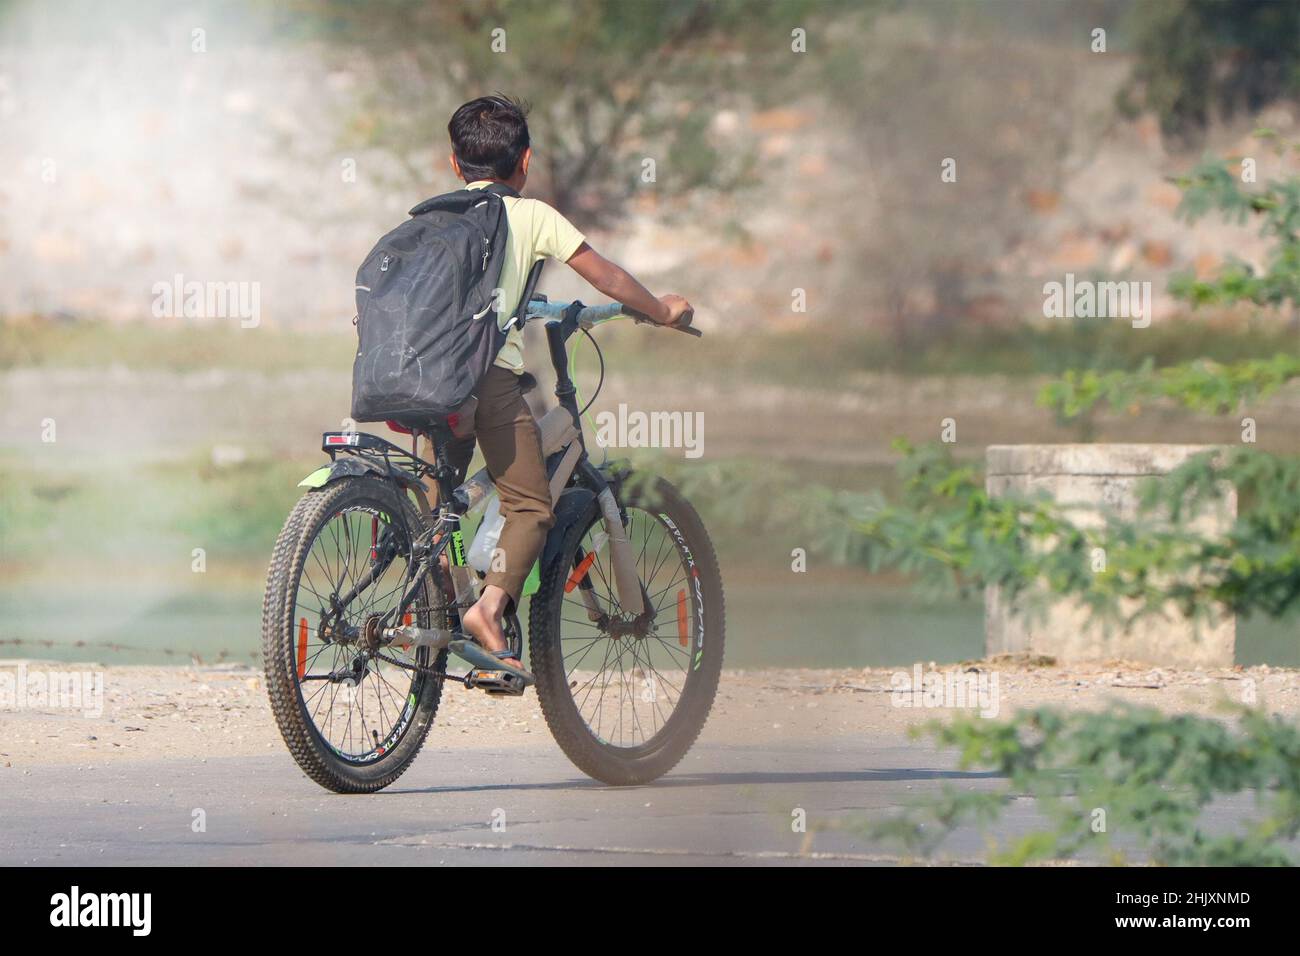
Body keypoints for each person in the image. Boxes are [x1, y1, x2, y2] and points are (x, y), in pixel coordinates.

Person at [442, 94, 693, 676]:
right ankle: (488, 609)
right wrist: (660, 310)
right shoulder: (531, 216)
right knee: (530, 505)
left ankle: (436, 609)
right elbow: (603, 274)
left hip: (419, 381)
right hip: (485, 380)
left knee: (441, 508)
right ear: (524, 161)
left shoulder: (429, 215)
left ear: (455, 165)